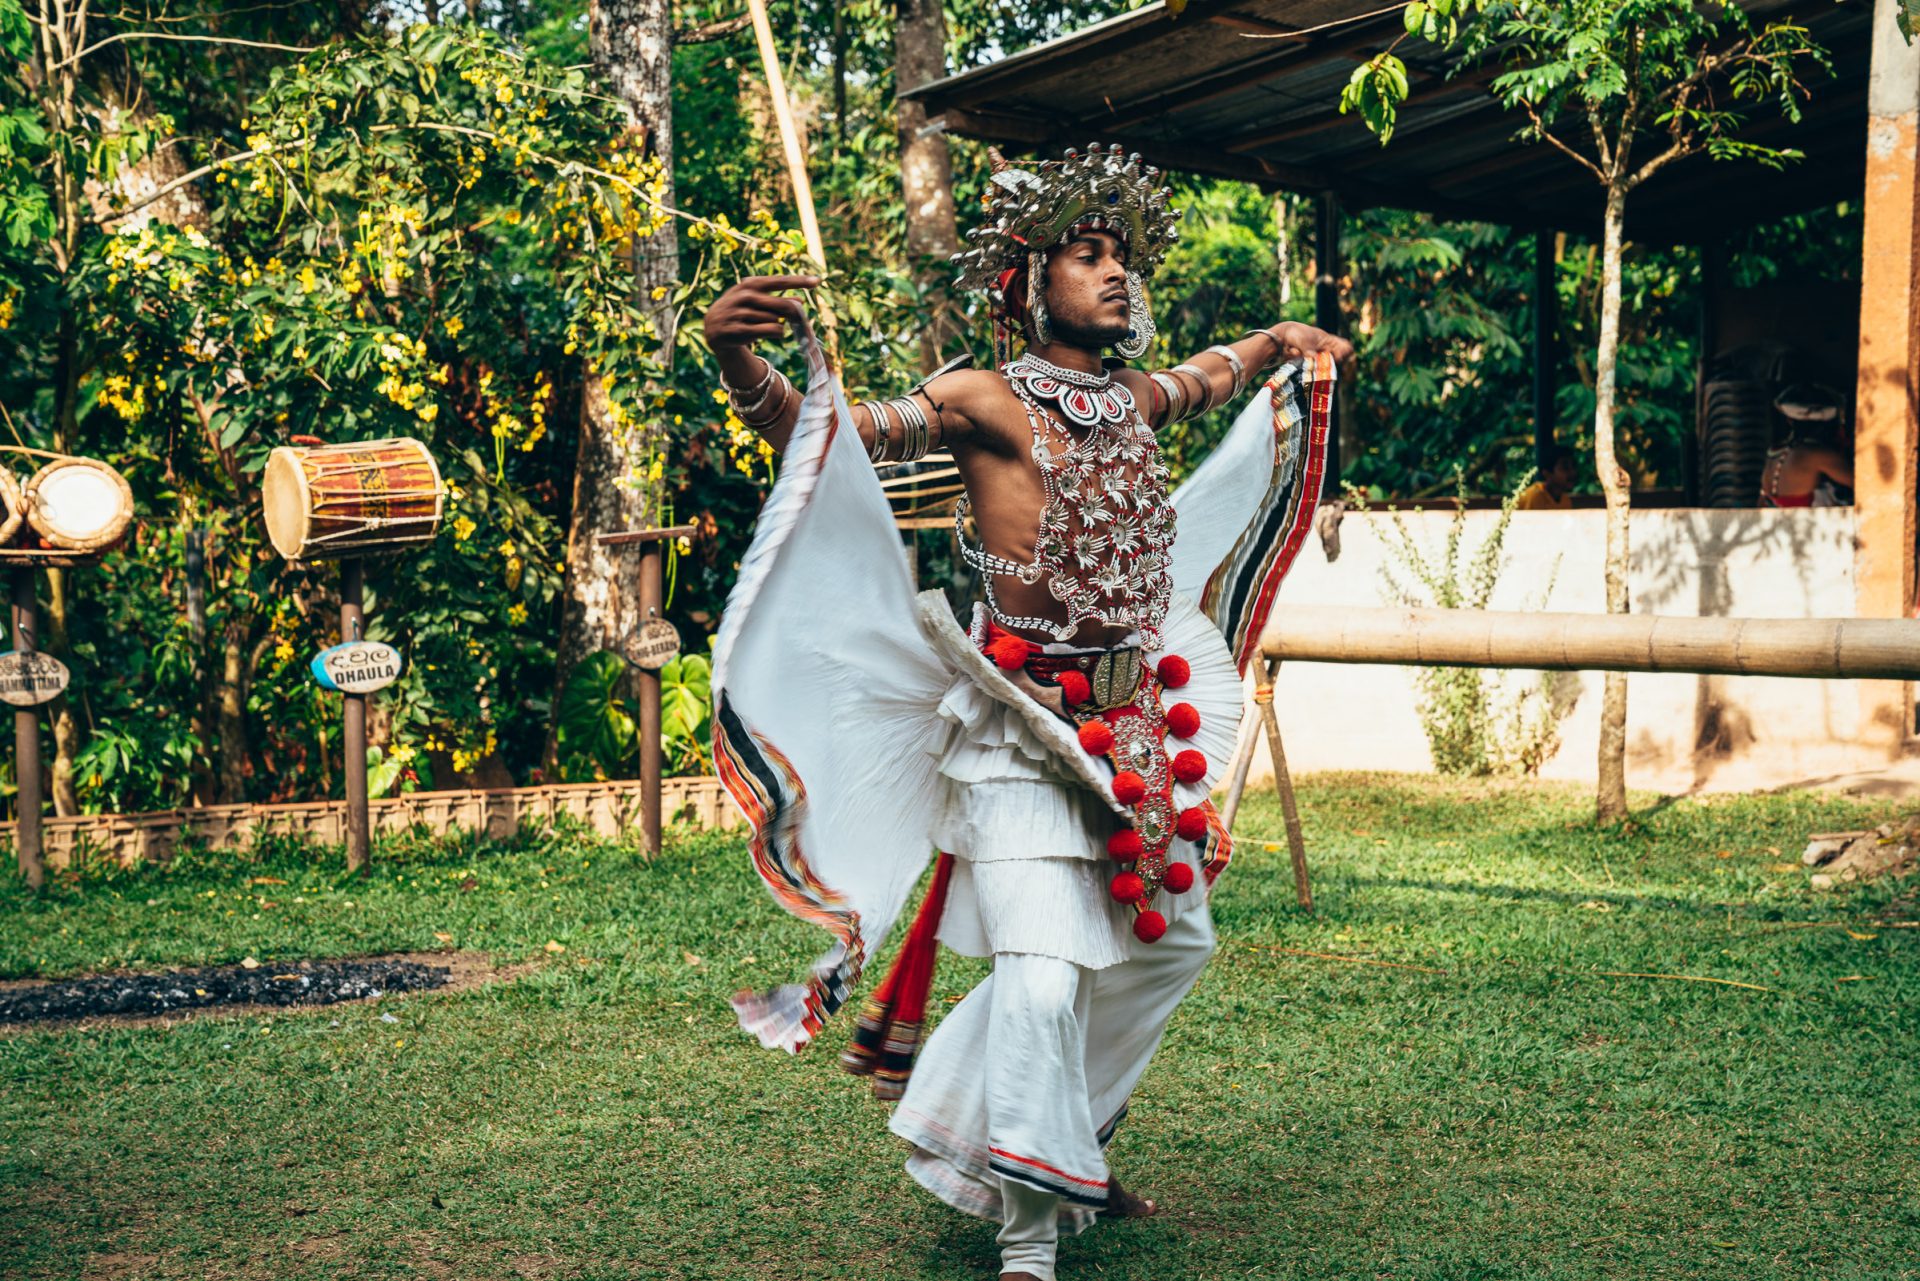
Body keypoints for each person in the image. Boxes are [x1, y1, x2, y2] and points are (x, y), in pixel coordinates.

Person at [701, 143, 1351, 1281]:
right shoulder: (982, 398)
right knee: (1045, 979)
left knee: (1171, 950)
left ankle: (1038, 1140)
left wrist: (1278, 345)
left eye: (1122, 259)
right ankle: (1029, 1235)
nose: (1115, 275)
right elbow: (834, 437)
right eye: (1087, 256)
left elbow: (1207, 373)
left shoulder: (1132, 399)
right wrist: (732, 354)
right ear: (1026, 282)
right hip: (1013, 726)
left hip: (1136, 729)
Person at [1515, 445, 1578, 510]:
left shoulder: (1565, 500)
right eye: (1565, 467)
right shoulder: (1535, 496)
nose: (1572, 472)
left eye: (1574, 466)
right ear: (1547, 473)